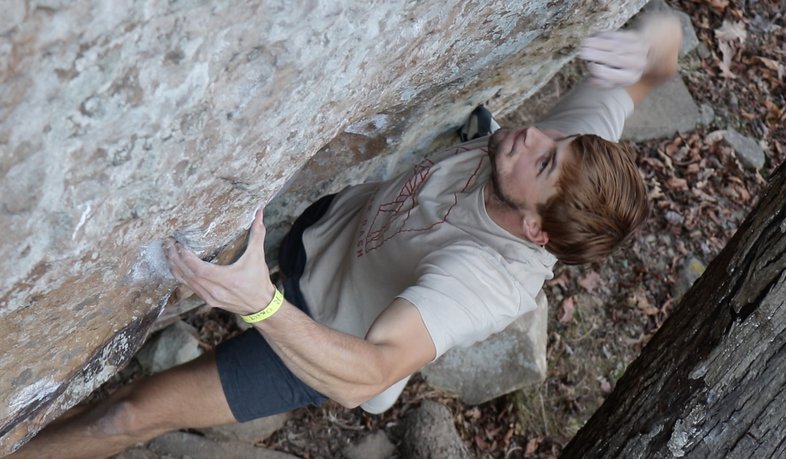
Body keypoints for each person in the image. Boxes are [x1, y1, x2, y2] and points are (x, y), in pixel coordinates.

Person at [9, 12, 682, 459]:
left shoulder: (486, 278)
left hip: (321, 337)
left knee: (129, 413)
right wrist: (648, 40)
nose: (534, 133)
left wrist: (261, 305)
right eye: (554, 141)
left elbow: (373, 372)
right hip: (330, 229)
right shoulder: (571, 157)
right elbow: (662, 53)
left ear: (536, 230)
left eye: (540, 162)